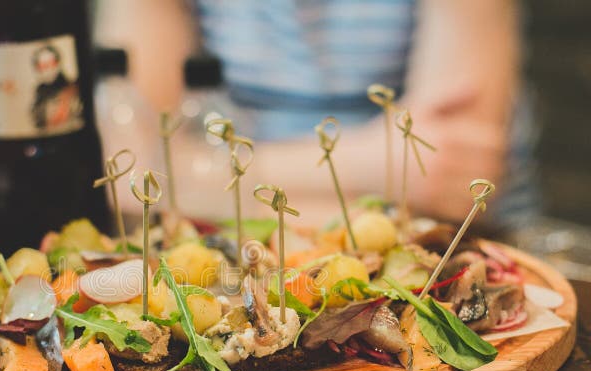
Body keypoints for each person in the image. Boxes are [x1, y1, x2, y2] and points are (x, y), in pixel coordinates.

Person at [95, 0, 531, 227]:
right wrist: (369, 165)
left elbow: (455, 180)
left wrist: (199, 178)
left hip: (477, 256)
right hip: (237, 254)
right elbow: (127, 174)